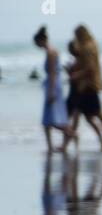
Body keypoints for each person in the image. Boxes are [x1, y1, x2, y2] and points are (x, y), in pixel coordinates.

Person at [66, 25, 102, 152]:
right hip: (88, 86)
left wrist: (75, 76)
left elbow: (90, 69)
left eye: (76, 35)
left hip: (87, 87)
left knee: (96, 116)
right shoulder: (92, 44)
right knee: (89, 117)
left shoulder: (87, 48)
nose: (75, 38)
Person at [33, 26, 69, 154]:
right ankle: (51, 147)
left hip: (53, 86)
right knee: (48, 120)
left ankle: (71, 135)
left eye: (36, 42)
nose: (36, 45)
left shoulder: (51, 52)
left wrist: (51, 92)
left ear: (41, 40)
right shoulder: (51, 51)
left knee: (53, 119)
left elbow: (53, 73)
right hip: (52, 85)